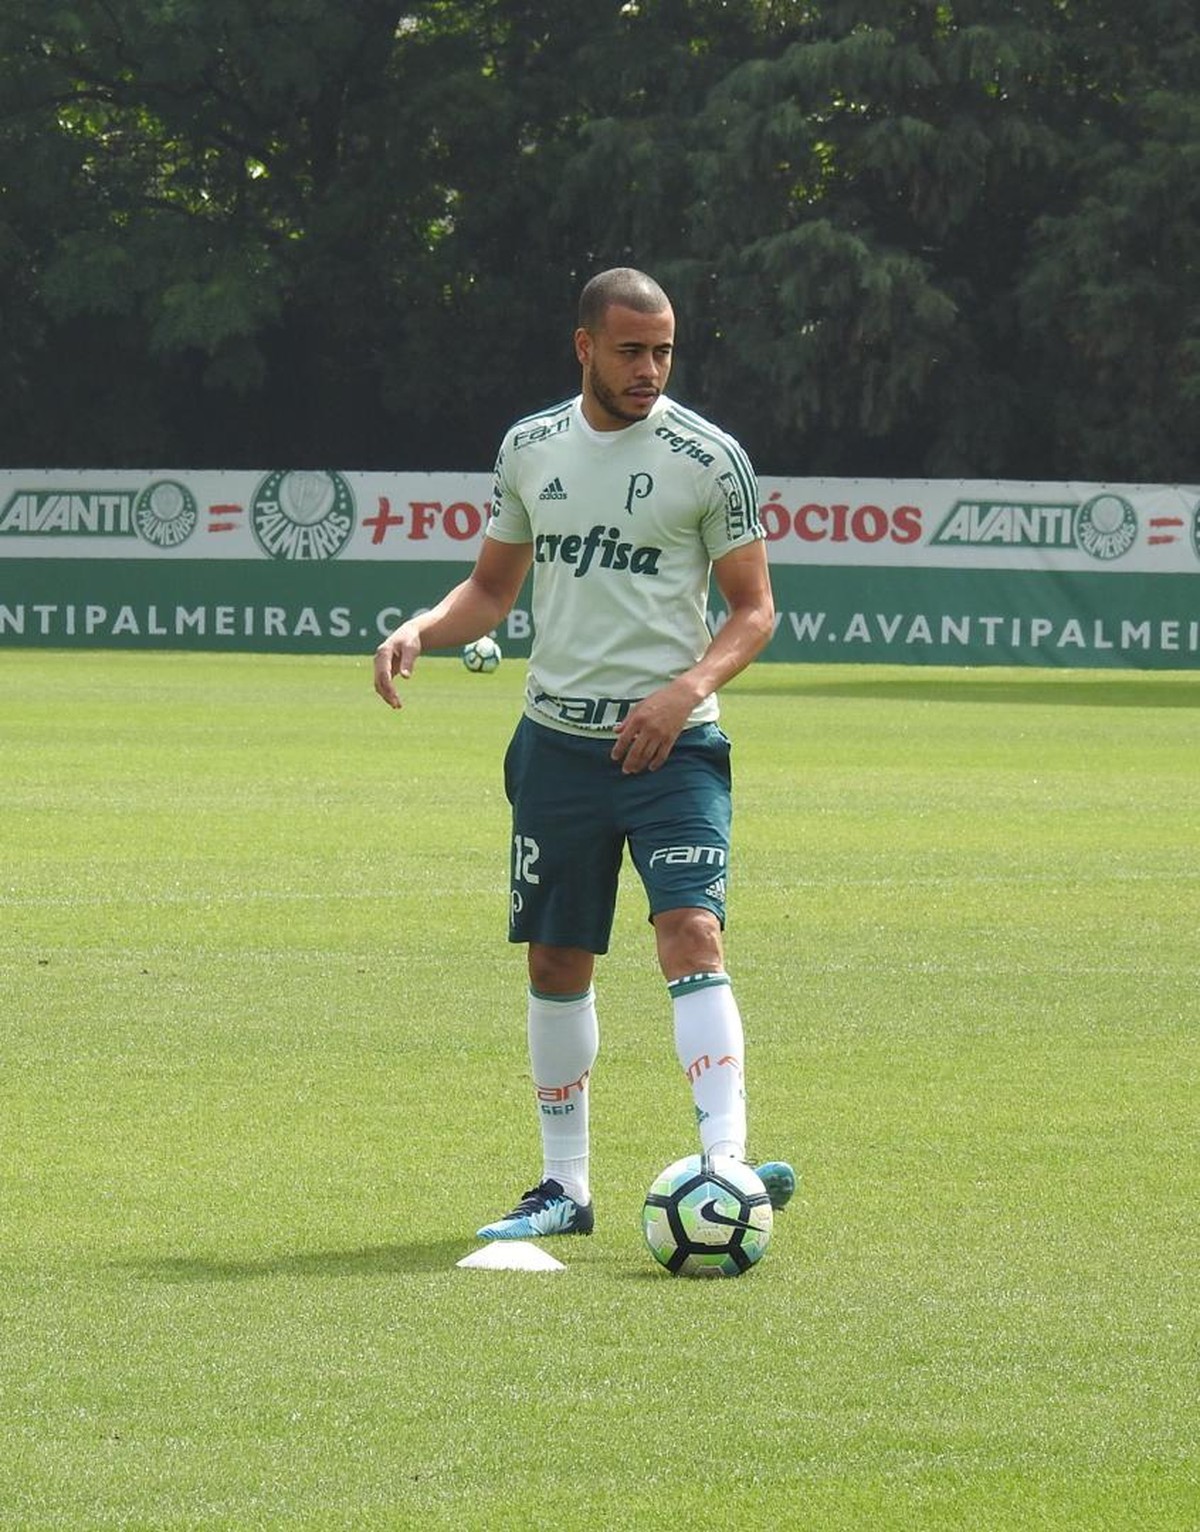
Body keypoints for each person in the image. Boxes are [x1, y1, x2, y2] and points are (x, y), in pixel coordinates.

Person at [373, 267, 794, 1239]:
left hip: (674, 745)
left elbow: (753, 609)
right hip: (557, 745)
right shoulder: (531, 448)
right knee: (558, 956)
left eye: (664, 352)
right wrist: (423, 627)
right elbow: (491, 587)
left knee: (692, 931)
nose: (650, 369)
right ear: (584, 347)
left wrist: (687, 689)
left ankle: (726, 1164)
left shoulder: (708, 457)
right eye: (630, 350)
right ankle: (564, 1186)